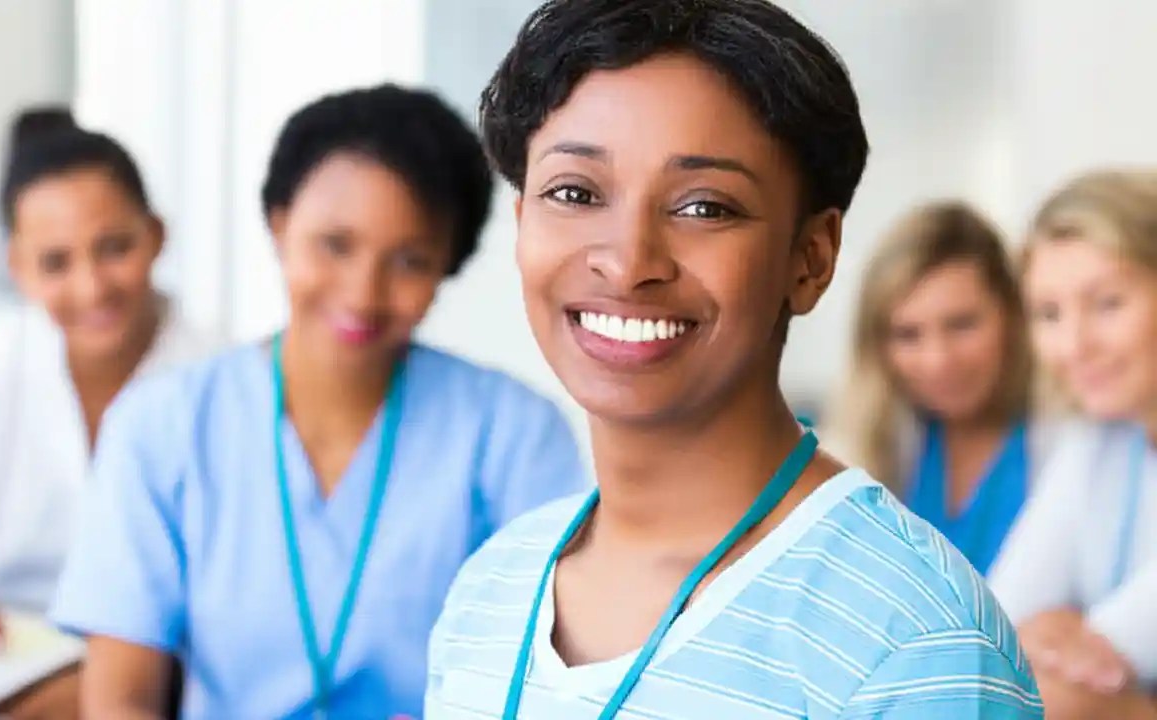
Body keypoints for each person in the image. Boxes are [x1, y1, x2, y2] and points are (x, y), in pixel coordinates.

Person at [425, 1, 1043, 717]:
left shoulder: (912, 642)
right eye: (575, 192)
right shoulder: (490, 591)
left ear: (810, 259)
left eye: (704, 207)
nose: (627, 264)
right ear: (522, 224)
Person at [49, 85, 585, 719]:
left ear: (449, 265)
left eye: (410, 260)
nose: (363, 293)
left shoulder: (514, 434)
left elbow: (551, 690)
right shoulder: (161, 427)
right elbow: (120, 702)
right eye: (335, 244)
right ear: (279, 225)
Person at [0, 108, 210, 717]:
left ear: (157, 235)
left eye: (114, 249)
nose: (91, 288)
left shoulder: (218, 381)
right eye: (56, 262)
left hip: (154, 671)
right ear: (19, 268)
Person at [990, 170, 1157, 720]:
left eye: (1108, 303)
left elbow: (1105, 657)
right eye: (1050, 314)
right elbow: (993, 627)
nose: (1075, 344)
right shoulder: (1097, 442)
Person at [824, 202, 1048, 574]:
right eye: (908, 335)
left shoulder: (1066, 438)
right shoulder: (864, 452)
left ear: (1011, 315)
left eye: (962, 324)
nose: (938, 361)